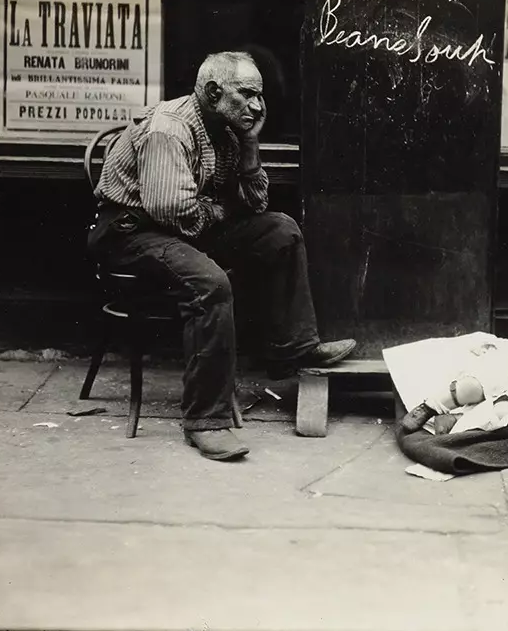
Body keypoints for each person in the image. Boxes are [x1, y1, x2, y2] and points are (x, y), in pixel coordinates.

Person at [87, 50, 356, 462]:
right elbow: (172, 211)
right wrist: (219, 210)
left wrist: (249, 146)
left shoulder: (227, 131)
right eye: (247, 94)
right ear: (214, 92)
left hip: (179, 228)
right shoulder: (170, 129)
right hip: (130, 235)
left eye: (260, 96)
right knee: (210, 284)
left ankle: (295, 347)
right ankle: (206, 421)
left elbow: (255, 203)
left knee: (280, 231)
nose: (258, 105)